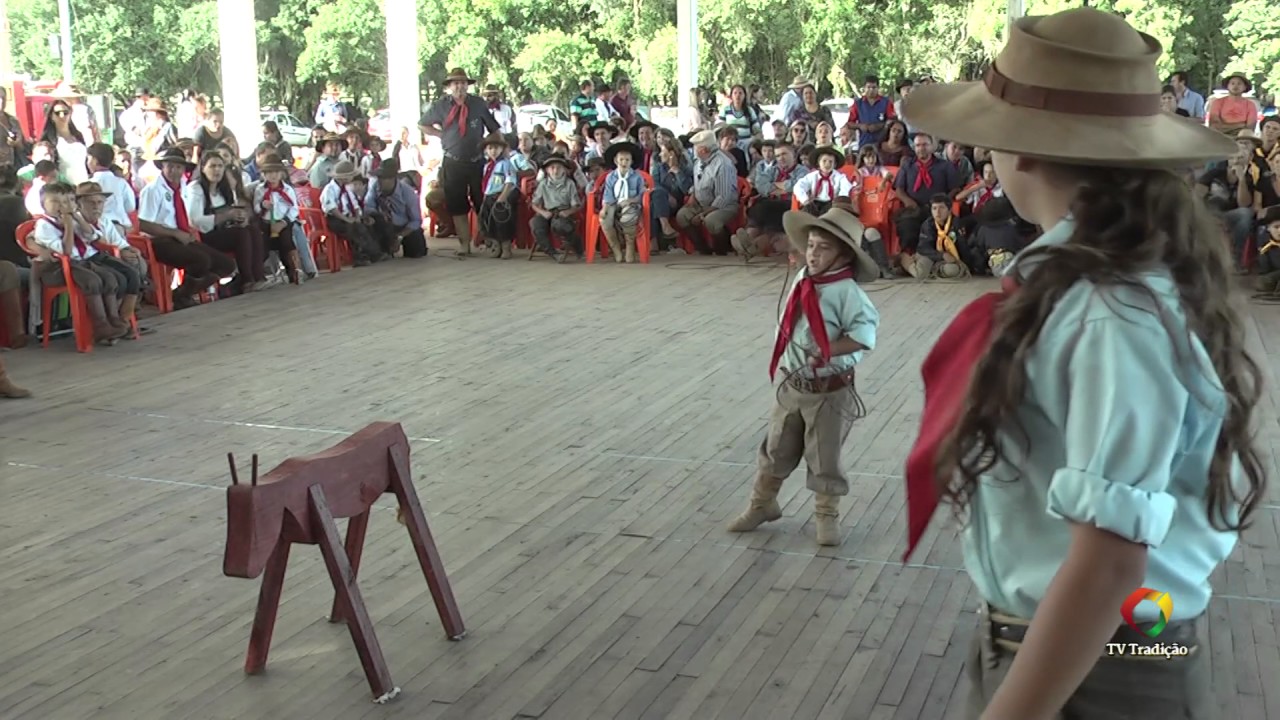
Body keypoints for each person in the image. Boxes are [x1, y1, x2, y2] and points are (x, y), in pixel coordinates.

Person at [899, 9, 1261, 719]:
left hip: (1096, 669)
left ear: (1020, 150)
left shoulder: (1106, 308)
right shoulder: (1098, 284)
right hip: (1082, 651)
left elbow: (1109, 565)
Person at [725, 203, 880, 546]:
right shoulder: (804, 278)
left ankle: (827, 515)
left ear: (843, 256)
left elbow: (864, 336)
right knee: (776, 447)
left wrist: (826, 350)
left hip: (829, 390)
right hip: (793, 383)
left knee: (824, 456)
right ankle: (762, 502)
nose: (813, 253)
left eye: (823, 248)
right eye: (810, 245)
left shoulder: (848, 293)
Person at [137, 147, 237, 309]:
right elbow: (144, 224)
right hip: (159, 241)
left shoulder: (182, 186)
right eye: (170, 166)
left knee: (226, 264)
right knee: (201, 260)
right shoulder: (153, 190)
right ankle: (182, 297)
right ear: (163, 167)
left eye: (178, 167)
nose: (174, 171)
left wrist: (185, 231)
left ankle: (182, 293)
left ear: (184, 169)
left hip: (180, 236)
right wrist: (175, 233)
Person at [419, 68, 501, 256]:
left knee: (483, 201)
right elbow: (422, 124)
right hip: (452, 161)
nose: (460, 87)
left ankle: (489, 240)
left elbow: (494, 129)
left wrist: (499, 148)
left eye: (463, 83)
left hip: (477, 161)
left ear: (467, 86)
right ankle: (464, 245)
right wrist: (440, 134)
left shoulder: (478, 104)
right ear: (449, 86)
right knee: (457, 204)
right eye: (456, 83)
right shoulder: (441, 105)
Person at [366, 164, 426, 258]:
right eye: (379, 178)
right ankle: (382, 249)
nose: (379, 181)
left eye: (383, 178)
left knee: (416, 252)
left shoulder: (408, 192)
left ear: (392, 179)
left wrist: (400, 236)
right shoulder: (375, 187)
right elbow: (369, 206)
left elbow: (416, 220)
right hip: (384, 224)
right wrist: (373, 216)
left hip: (404, 226)